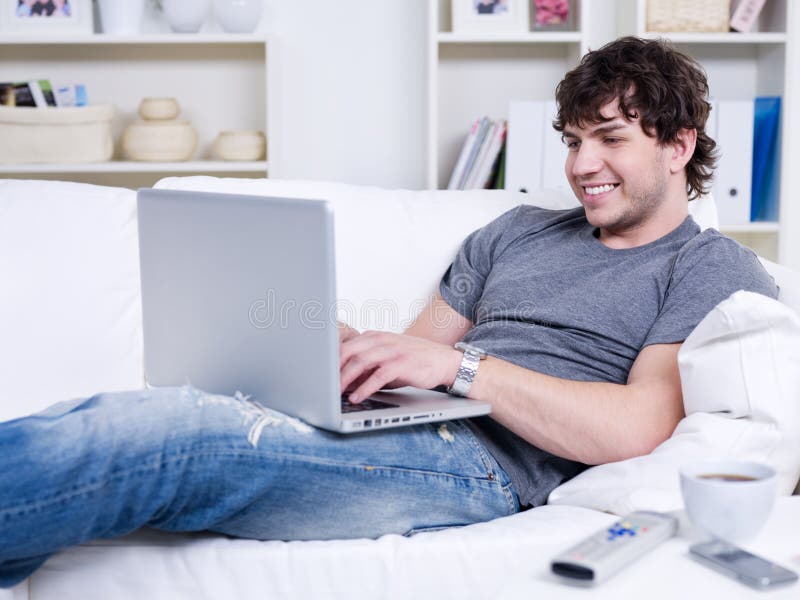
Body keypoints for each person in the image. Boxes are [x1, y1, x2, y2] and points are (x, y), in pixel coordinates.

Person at [0, 36, 777, 587]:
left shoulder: (711, 267)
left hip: (485, 468)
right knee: (123, 417)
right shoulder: (517, 231)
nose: (580, 166)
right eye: (573, 140)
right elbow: (414, 360)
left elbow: (635, 428)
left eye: (609, 138)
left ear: (679, 146)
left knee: (154, 438)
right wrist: (340, 352)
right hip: (416, 431)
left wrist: (463, 367)